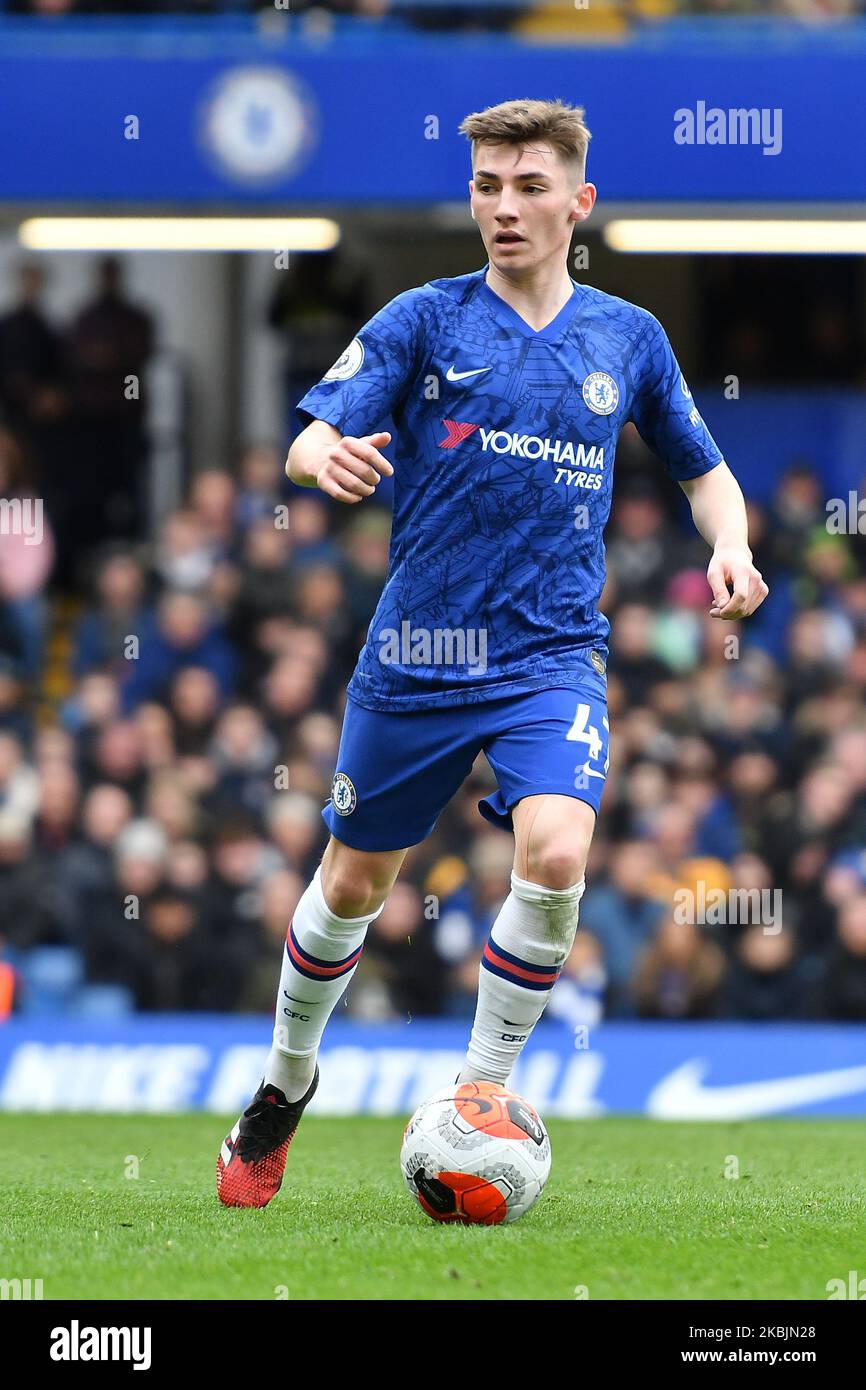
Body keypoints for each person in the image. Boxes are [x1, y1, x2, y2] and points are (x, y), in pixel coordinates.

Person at [216, 97, 769, 1208]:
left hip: (549, 654)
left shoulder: (627, 338)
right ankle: (283, 1085)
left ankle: (478, 1094)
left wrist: (732, 544)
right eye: (484, 186)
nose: (503, 207)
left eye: (525, 186)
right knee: (352, 879)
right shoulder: (424, 318)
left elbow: (700, 467)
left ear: (578, 201)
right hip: (417, 654)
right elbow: (310, 430)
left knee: (557, 851)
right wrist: (318, 457)